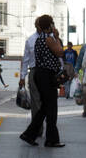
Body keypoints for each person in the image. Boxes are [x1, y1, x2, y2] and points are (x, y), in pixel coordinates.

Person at [19, 14, 65, 147]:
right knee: (51, 108)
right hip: (46, 75)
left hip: (40, 75)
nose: (53, 26)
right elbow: (60, 52)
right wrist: (56, 37)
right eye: (52, 24)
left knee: (45, 107)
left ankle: (29, 134)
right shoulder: (49, 39)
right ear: (50, 25)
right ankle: (51, 139)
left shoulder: (39, 39)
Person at [19, 25, 42, 124]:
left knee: (44, 101)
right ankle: (37, 126)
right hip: (34, 71)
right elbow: (25, 60)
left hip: (47, 72)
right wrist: (22, 77)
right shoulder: (30, 40)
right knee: (36, 101)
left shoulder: (51, 38)